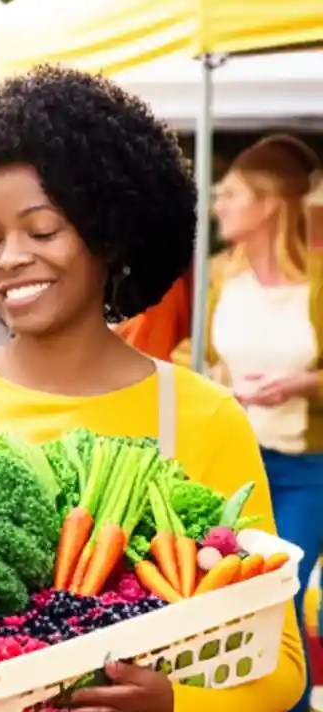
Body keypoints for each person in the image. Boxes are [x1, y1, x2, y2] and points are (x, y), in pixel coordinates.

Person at [0, 66, 305, 712]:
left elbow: (282, 668)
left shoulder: (203, 415)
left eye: (41, 231)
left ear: (110, 235)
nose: (8, 258)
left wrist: (173, 703)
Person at [185, 134, 322, 712]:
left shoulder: (317, 285)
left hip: (305, 471)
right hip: (235, 465)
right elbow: (188, 355)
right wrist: (214, 386)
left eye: (231, 193)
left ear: (268, 204)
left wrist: (301, 385)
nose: (218, 206)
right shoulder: (218, 278)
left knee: (280, 601)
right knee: (231, 605)